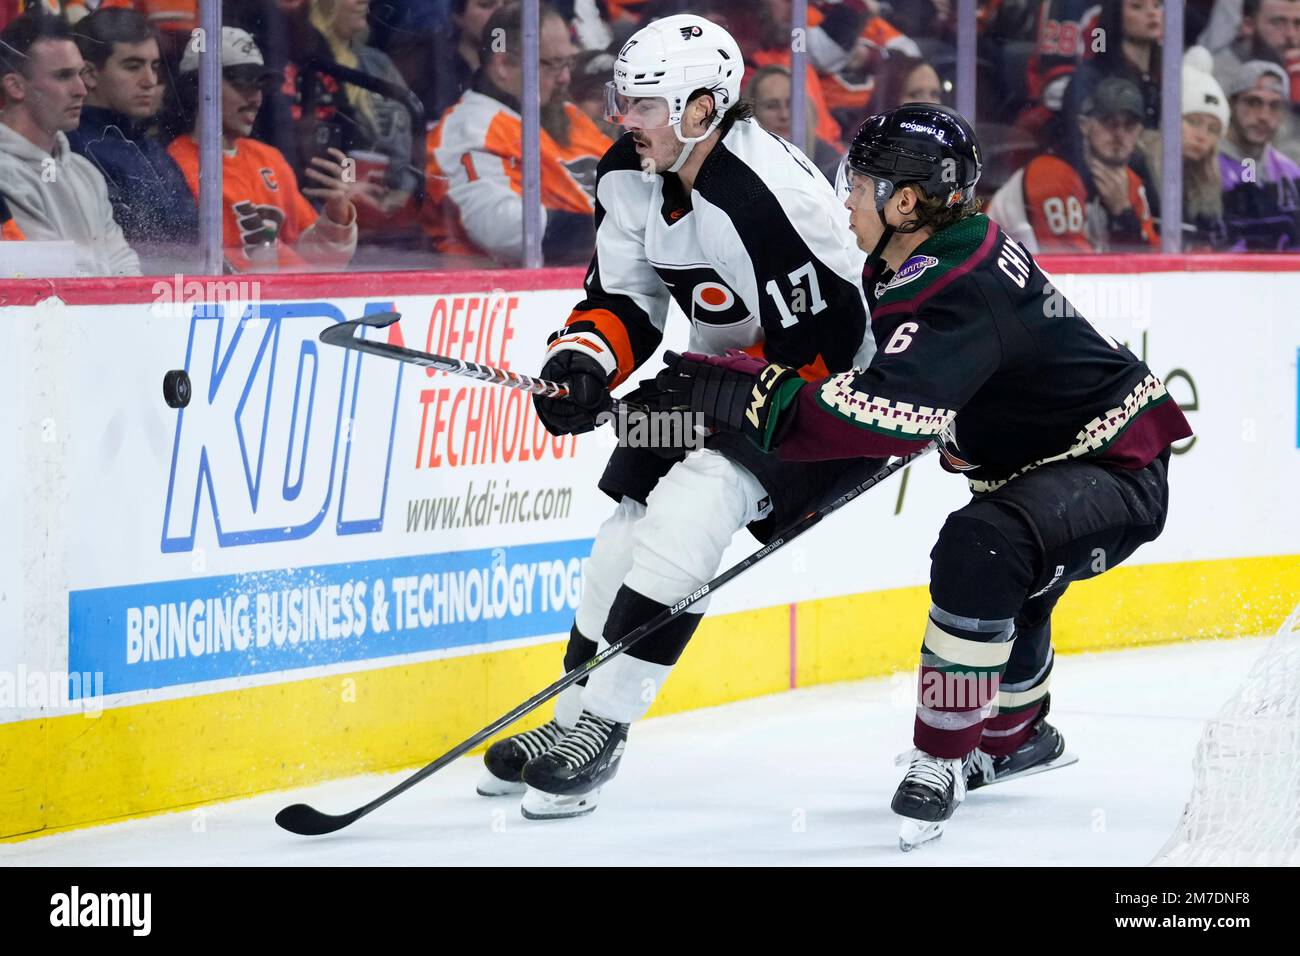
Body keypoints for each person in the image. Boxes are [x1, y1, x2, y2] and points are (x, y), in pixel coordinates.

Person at [654, 103, 1193, 849]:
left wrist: (751, 396)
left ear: (906, 202)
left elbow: (882, 413)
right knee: (1013, 568)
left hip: (1114, 469)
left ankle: (943, 757)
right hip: (1058, 459)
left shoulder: (951, 279)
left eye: (862, 180)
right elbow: (958, 377)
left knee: (983, 548)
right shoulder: (927, 257)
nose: (846, 194)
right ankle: (1016, 738)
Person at [476, 14, 876, 820]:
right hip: (720, 377)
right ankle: (571, 715)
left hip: (828, 395)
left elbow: (834, 344)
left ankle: (605, 726)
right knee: (626, 523)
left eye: (645, 105)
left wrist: (727, 394)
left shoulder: (770, 199)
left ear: (703, 109)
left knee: (695, 504)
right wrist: (582, 366)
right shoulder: (627, 171)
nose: (625, 118)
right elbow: (624, 297)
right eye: (623, 99)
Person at [422, 2, 611, 266]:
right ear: (503, 65)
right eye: (553, 65)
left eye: (568, 63)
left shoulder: (565, 114)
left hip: (600, 278)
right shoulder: (471, 128)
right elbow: (502, 228)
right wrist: (622, 233)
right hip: (504, 295)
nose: (565, 78)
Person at [166, 26, 358, 272]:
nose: (255, 99)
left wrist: (336, 214)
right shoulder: (175, 166)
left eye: (260, 85)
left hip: (294, 301)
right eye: (242, 83)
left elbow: (318, 261)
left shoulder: (269, 159)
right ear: (199, 87)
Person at [0, 13, 141, 276]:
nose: (81, 90)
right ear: (15, 86)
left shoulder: (85, 171)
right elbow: (47, 279)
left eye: (81, 74)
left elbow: (125, 263)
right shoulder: (4, 174)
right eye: (64, 76)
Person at [68, 6, 199, 272]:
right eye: (133, 66)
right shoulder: (74, 150)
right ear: (90, 74)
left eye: (154, 66)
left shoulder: (152, 149)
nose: (150, 80)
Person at [988, 76, 1159, 252]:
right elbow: (1072, 266)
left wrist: (1124, 215)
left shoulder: (1130, 183)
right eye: (1109, 123)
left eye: (1129, 126)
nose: (1119, 134)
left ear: (1140, 131)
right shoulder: (1050, 176)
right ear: (1084, 125)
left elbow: (1152, 260)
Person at [1219, 59, 1300, 249]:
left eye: (1275, 106)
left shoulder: (1292, 173)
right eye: (1253, 102)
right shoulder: (1205, 167)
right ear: (1232, 104)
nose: (1264, 116)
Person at [747, 64, 843, 182]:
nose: (784, 115)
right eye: (771, 106)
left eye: (791, 104)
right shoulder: (739, 158)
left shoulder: (828, 161)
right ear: (752, 112)